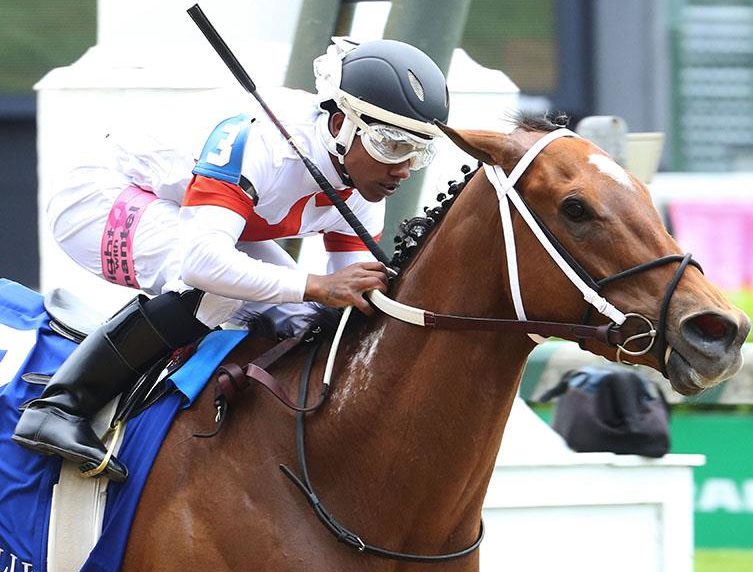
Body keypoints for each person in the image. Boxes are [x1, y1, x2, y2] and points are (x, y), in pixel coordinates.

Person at [13, 38, 450, 483]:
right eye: (394, 147)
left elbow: (351, 304)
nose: (405, 169)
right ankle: (59, 406)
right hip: (100, 200)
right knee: (219, 290)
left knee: (301, 317)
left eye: (420, 152)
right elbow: (203, 263)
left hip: (195, 218)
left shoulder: (364, 187)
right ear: (341, 124)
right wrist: (316, 285)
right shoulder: (266, 145)